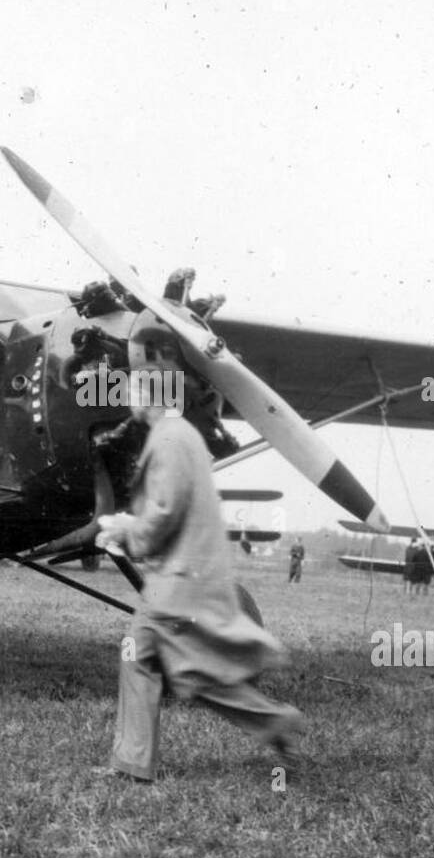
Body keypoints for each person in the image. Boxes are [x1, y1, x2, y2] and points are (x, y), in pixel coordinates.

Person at [94, 324, 305, 783]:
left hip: (177, 581)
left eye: (131, 390)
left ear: (147, 394)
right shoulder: (180, 436)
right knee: (138, 657)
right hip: (176, 580)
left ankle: (273, 720)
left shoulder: (169, 440)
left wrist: (125, 530)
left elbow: (165, 511)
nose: (126, 399)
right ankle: (132, 762)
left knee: (191, 675)